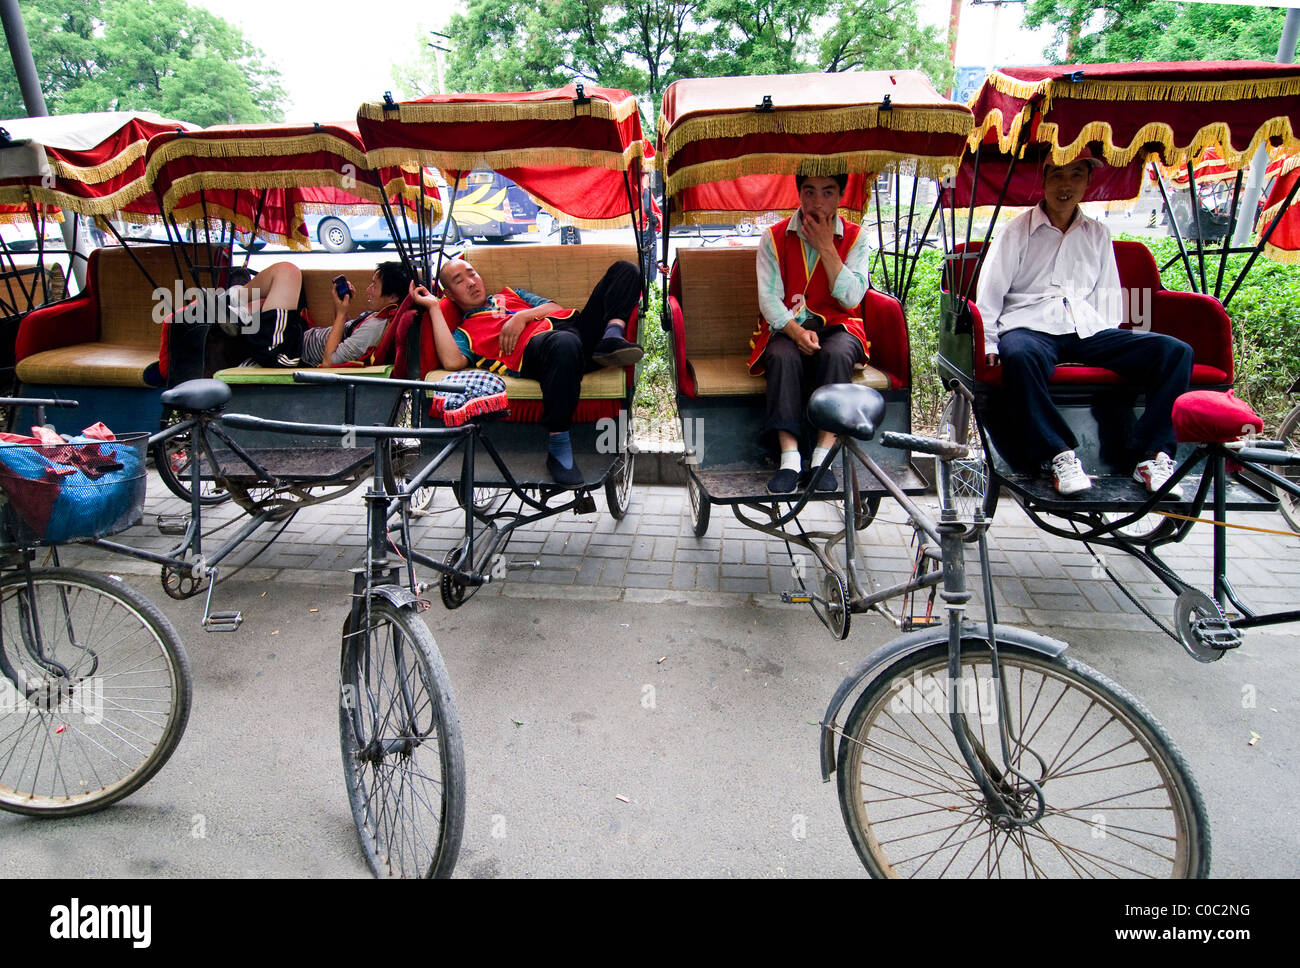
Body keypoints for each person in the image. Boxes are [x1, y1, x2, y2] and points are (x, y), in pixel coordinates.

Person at [975, 148, 1192, 497]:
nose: (1066, 185)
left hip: (1086, 329)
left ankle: (1153, 456)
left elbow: (1107, 295)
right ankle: (1059, 453)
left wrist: (1104, 344)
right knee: (1019, 356)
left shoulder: (1097, 233)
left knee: (1174, 352)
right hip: (1030, 327)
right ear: (1043, 179)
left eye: (1076, 175)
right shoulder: (1017, 232)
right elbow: (990, 293)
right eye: (1058, 174)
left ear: (1089, 181)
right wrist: (987, 343)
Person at [410, 257, 643, 485]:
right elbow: (452, 361)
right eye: (459, 280)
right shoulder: (466, 331)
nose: (471, 282)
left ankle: (612, 335)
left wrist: (522, 316)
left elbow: (555, 308)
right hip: (542, 353)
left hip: (577, 331)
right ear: (449, 294)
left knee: (625, 269)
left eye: (472, 273)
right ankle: (558, 444)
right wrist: (433, 306)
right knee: (563, 344)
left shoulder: (512, 294)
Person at [752, 170, 872, 493]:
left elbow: (851, 297)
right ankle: (789, 457)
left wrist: (826, 247)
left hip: (839, 327)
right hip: (789, 326)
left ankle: (823, 456)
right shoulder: (773, 238)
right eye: (810, 192)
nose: (817, 203)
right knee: (780, 354)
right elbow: (768, 299)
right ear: (799, 194)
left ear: (841, 196)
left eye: (828, 193)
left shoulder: (857, 238)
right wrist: (794, 331)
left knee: (836, 352)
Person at [221, 260, 412, 367]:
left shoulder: (375, 327)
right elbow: (342, 338)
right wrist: (341, 310)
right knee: (267, 297)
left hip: (285, 354)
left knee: (287, 272)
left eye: (374, 286)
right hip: (296, 338)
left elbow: (329, 361)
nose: (368, 289)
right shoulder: (379, 316)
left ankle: (231, 300)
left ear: (393, 296)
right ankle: (237, 310)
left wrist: (340, 315)